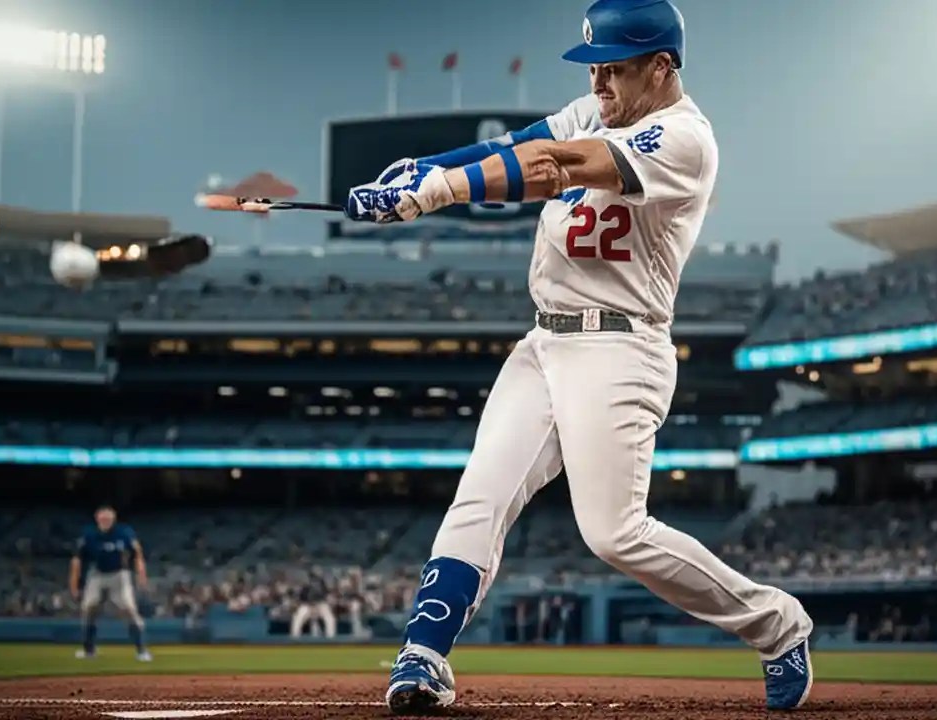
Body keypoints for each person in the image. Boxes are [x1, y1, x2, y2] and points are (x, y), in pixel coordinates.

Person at [347, 0, 813, 713]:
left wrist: (434, 192)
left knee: (615, 533)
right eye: (594, 68)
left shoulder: (684, 138)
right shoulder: (594, 108)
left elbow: (555, 167)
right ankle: (423, 655)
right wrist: (418, 170)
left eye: (615, 71)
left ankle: (777, 624)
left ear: (662, 67)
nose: (598, 85)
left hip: (620, 348)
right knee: (482, 491)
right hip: (545, 343)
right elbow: (510, 146)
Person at [69, 504, 151, 661]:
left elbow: (137, 552)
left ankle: (142, 650)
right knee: (89, 607)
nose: (105, 521)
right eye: (103, 518)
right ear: (97, 519)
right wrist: (74, 583)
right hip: (97, 574)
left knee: (129, 608)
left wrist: (141, 575)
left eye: (108, 518)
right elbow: (77, 560)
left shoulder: (123, 532)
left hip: (119, 574)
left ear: (113, 519)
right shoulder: (89, 534)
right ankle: (89, 650)